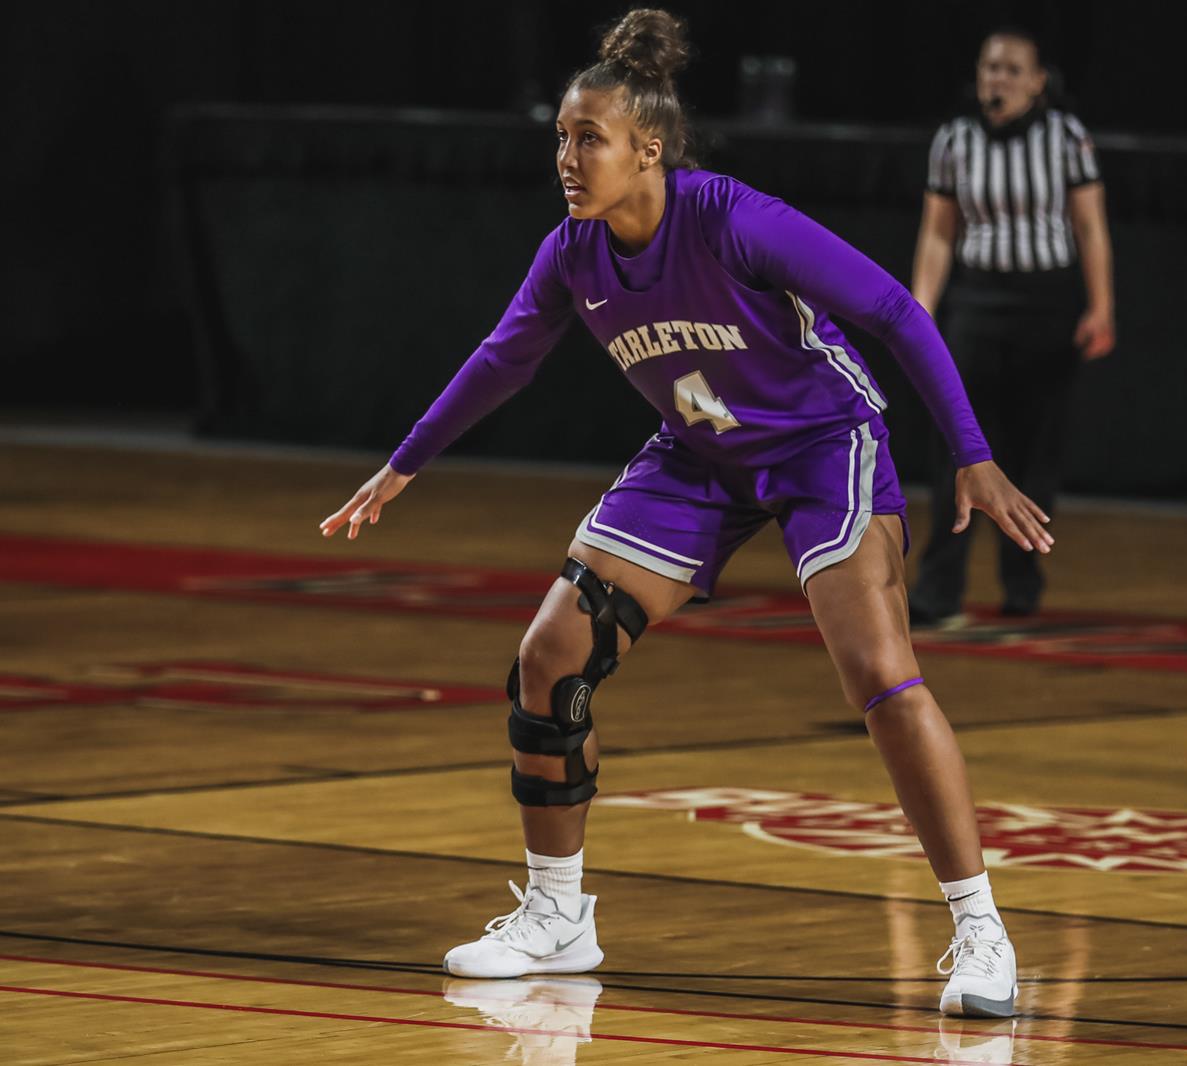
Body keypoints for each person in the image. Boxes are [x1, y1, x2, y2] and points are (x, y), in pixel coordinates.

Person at [319, 8, 1052, 1017]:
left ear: (647, 148)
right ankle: (557, 917)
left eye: (591, 139)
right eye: (562, 139)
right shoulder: (574, 251)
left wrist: (971, 454)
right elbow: (505, 358)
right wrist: (404, 464)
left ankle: (982, 935)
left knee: (879, 670)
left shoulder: (728, 217)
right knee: (549, 655)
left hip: (820, 440)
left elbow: (891, 309)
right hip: (702, 450)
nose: (569, 158)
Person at [906, 26, 1114, 626]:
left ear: (1037, 82)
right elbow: (939, 232)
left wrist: (1101, 307)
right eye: (989, 68)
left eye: (1011, 69)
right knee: (961, 449)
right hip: (978, 301)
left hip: (1047, 304)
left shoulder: (1066, 137)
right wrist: (919, 309)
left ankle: (1023, 581)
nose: (997, 79)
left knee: (1033, 454)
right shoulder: (954, 140)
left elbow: (1091, 227)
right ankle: (939, 589)